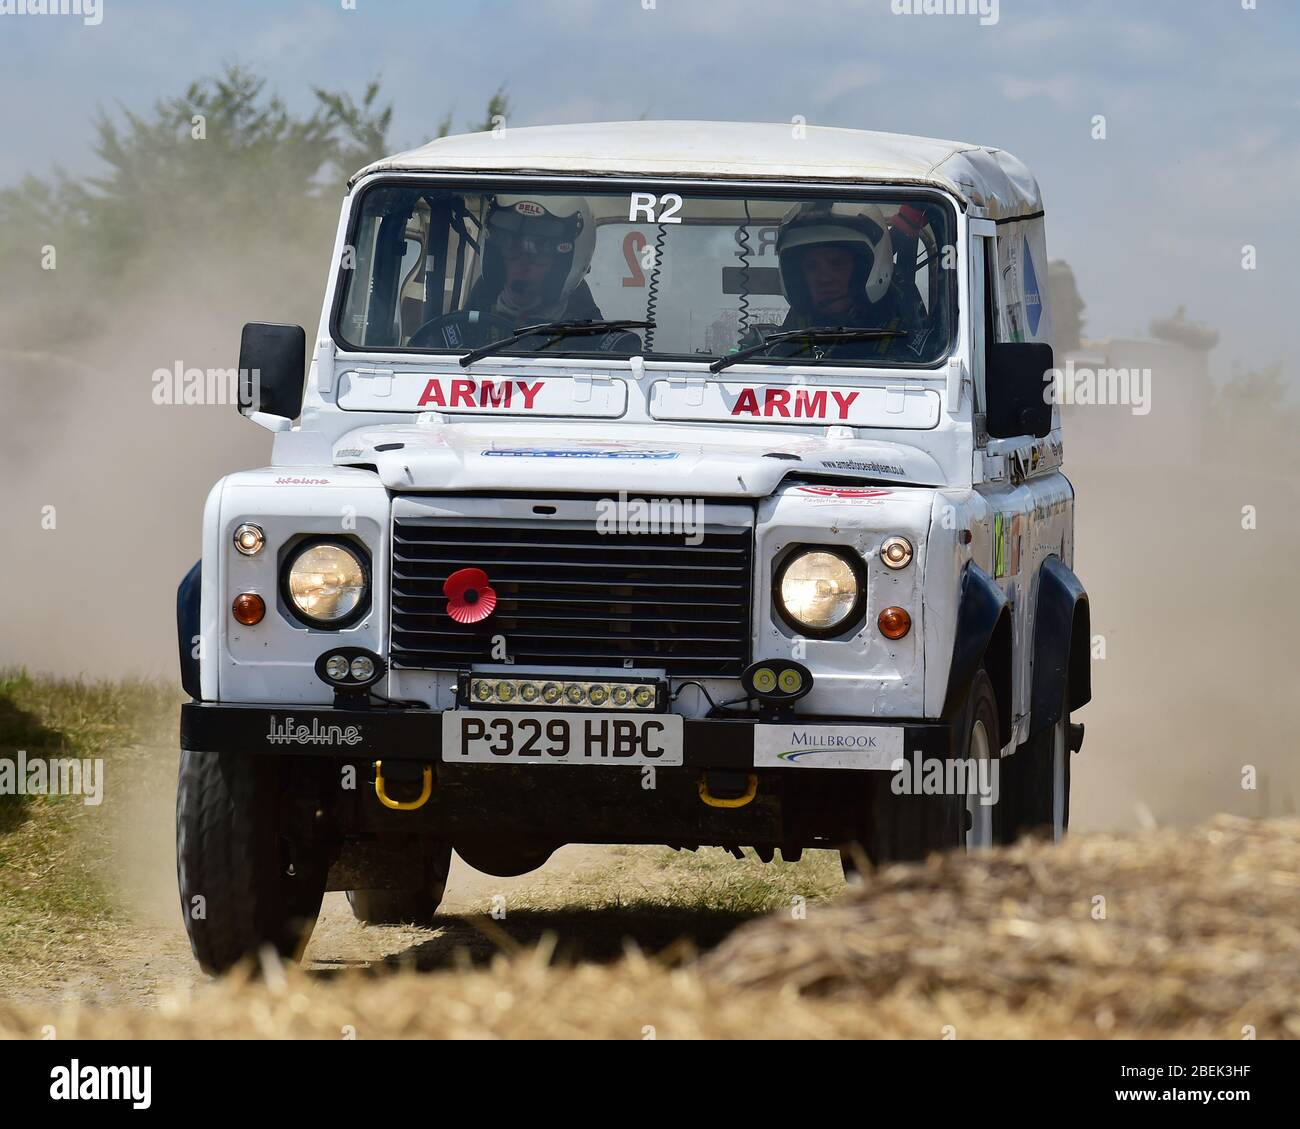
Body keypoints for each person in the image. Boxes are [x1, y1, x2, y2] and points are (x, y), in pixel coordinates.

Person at [465, 195, 641, 354]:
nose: (522, 266)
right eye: (512, 250)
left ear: (564, 266)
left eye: (538, 255)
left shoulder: (598, 345)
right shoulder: (463, 326)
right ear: (496, 258)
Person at [765, 201, 932, 360]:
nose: (824, 278)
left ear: (864, 270)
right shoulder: (776, 347)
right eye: (811, 267)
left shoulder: (920, 351)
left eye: (837, 263)